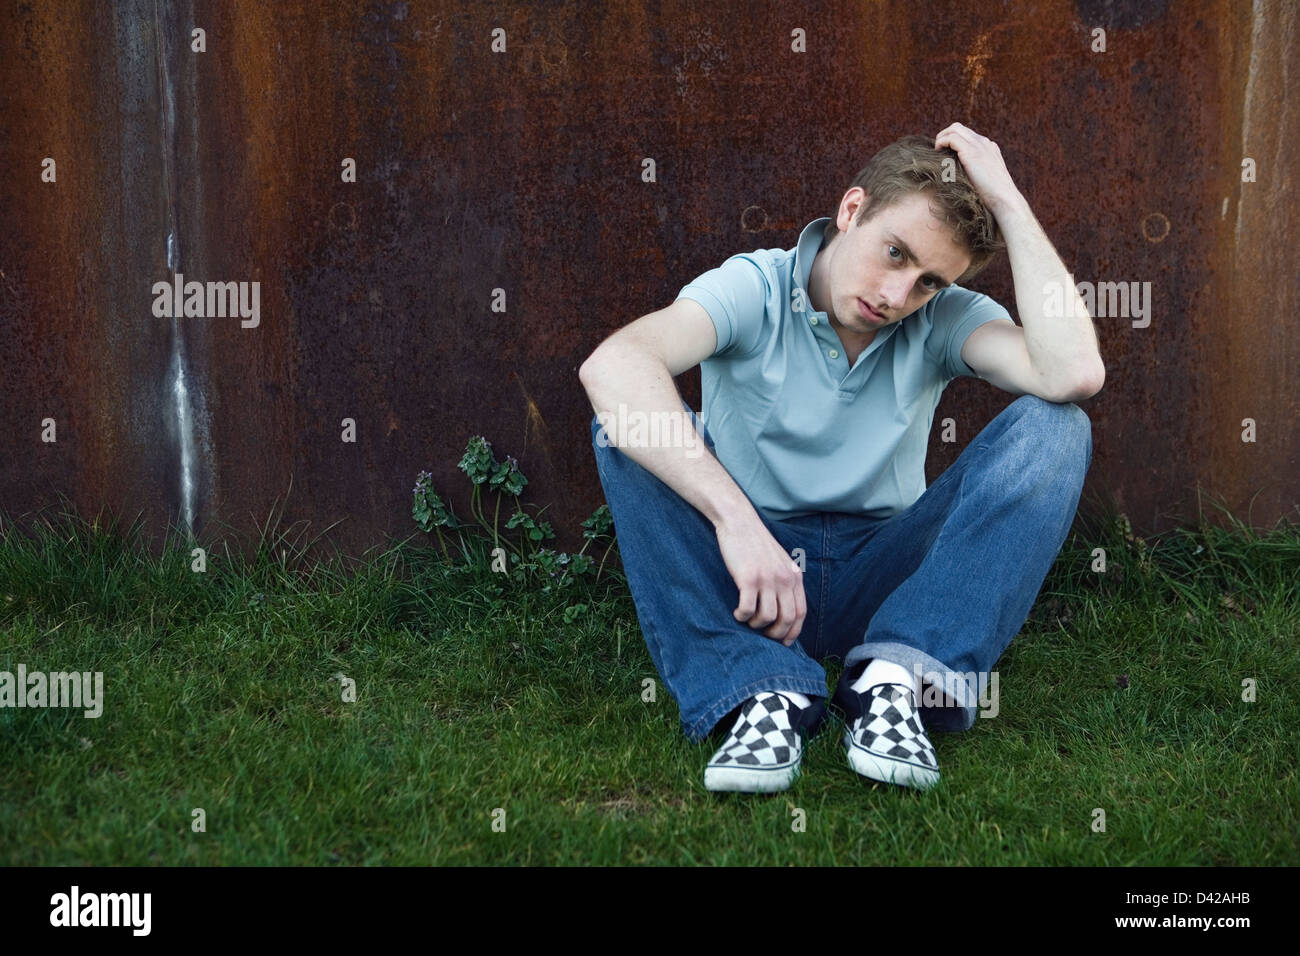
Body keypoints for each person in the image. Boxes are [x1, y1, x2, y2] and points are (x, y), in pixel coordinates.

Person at [578, 124, 1104, 793]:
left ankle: (897, 676)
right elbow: (616, 364)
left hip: (884, 572)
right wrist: (736, 523)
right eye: (894, 253)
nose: (895, 296)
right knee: (622, 427)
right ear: (852, 209)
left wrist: (1009, 202)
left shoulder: (940, 318)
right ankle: (760, 688)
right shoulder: (755, 286)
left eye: (927, 281)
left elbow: (1074, 374)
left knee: (1055, 427)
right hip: (753, 579)